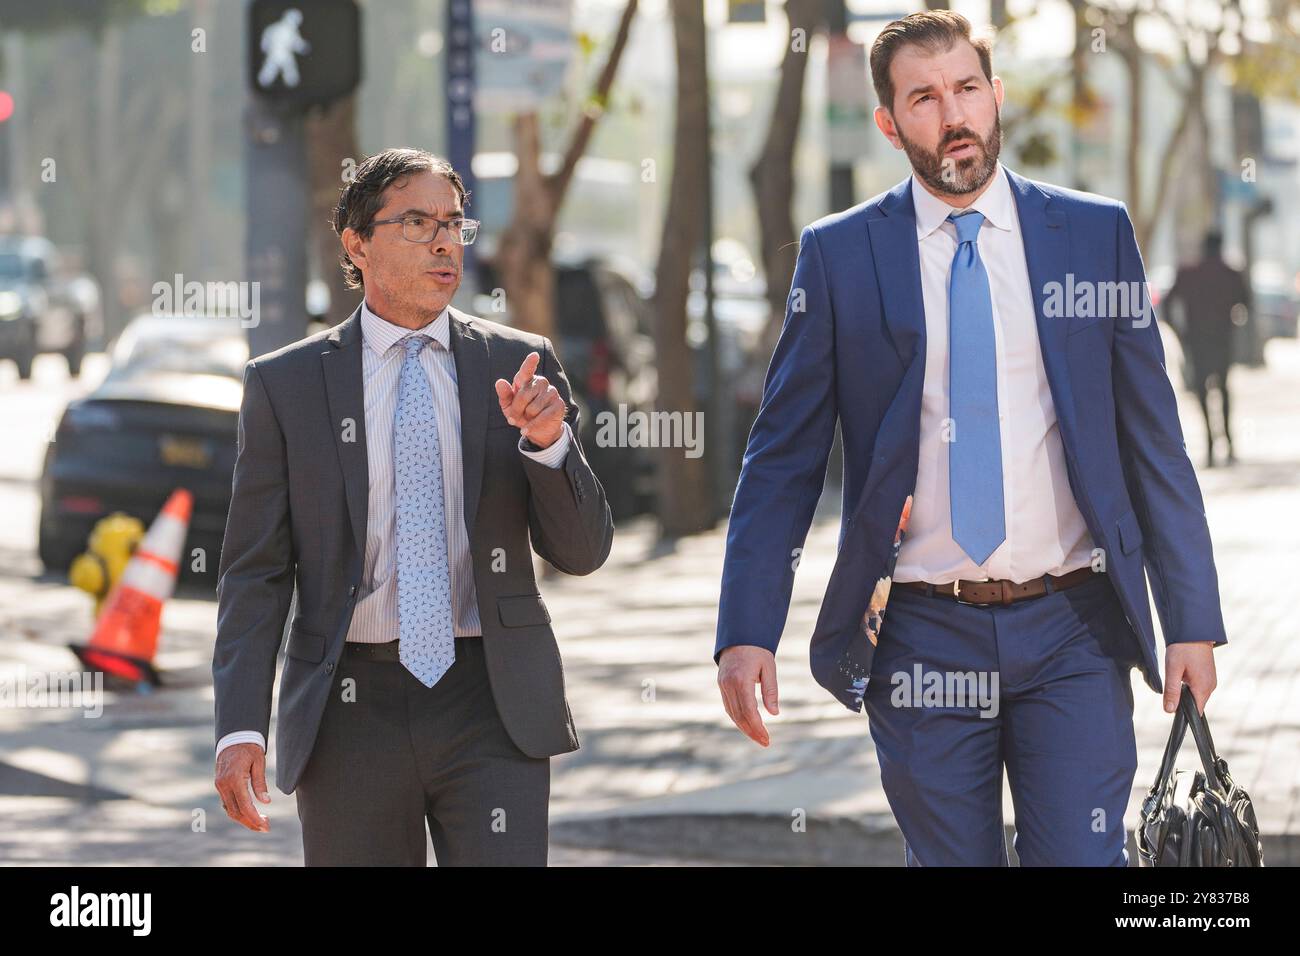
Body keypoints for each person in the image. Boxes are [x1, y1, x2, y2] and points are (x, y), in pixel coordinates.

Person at [714, 11, 1225, 866]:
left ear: (994, 96)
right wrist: (745, 628)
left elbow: (1154, 446)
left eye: (966, 88)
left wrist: (1192, 621)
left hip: (1075, 628)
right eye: (923, 97)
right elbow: (783, 460)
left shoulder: (1093, 238)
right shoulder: (840, 256)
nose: (952, 113)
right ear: (889, 122)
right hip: (921, 634)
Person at [213, 148, 614, 865]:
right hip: (348, 710)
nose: (443, 241)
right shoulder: (288, 387)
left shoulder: (518, 366)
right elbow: (255, 572)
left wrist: (549, 444)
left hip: (492, 700)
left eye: (455, 223)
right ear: (357, 243)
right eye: (417, 221)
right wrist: (241, 724)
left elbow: (582, 552)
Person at [1164, 230, 1249, 467]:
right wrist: (1234, 321)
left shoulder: (1189, 273)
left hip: (1197, 340)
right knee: (1222, 388)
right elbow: (1245, 303)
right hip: (1222, 339)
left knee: (1203, 391)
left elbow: (1168, 303)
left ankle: (1212, 444)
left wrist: (1180, 331)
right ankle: (1228, 444)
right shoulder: (1230, 274)